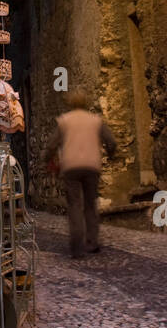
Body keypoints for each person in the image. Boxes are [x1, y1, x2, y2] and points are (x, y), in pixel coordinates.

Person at [46, 90, 116, 259]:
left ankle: (76, 246)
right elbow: (111, 142)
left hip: (71, 167)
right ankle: (92, 243)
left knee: (75, 205)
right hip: (92, 166)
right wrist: (111, 155)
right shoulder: (95, 121)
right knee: (91, 205)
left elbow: (52, 145)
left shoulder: (64, 121)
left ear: (70, 103)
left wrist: (47, 159)